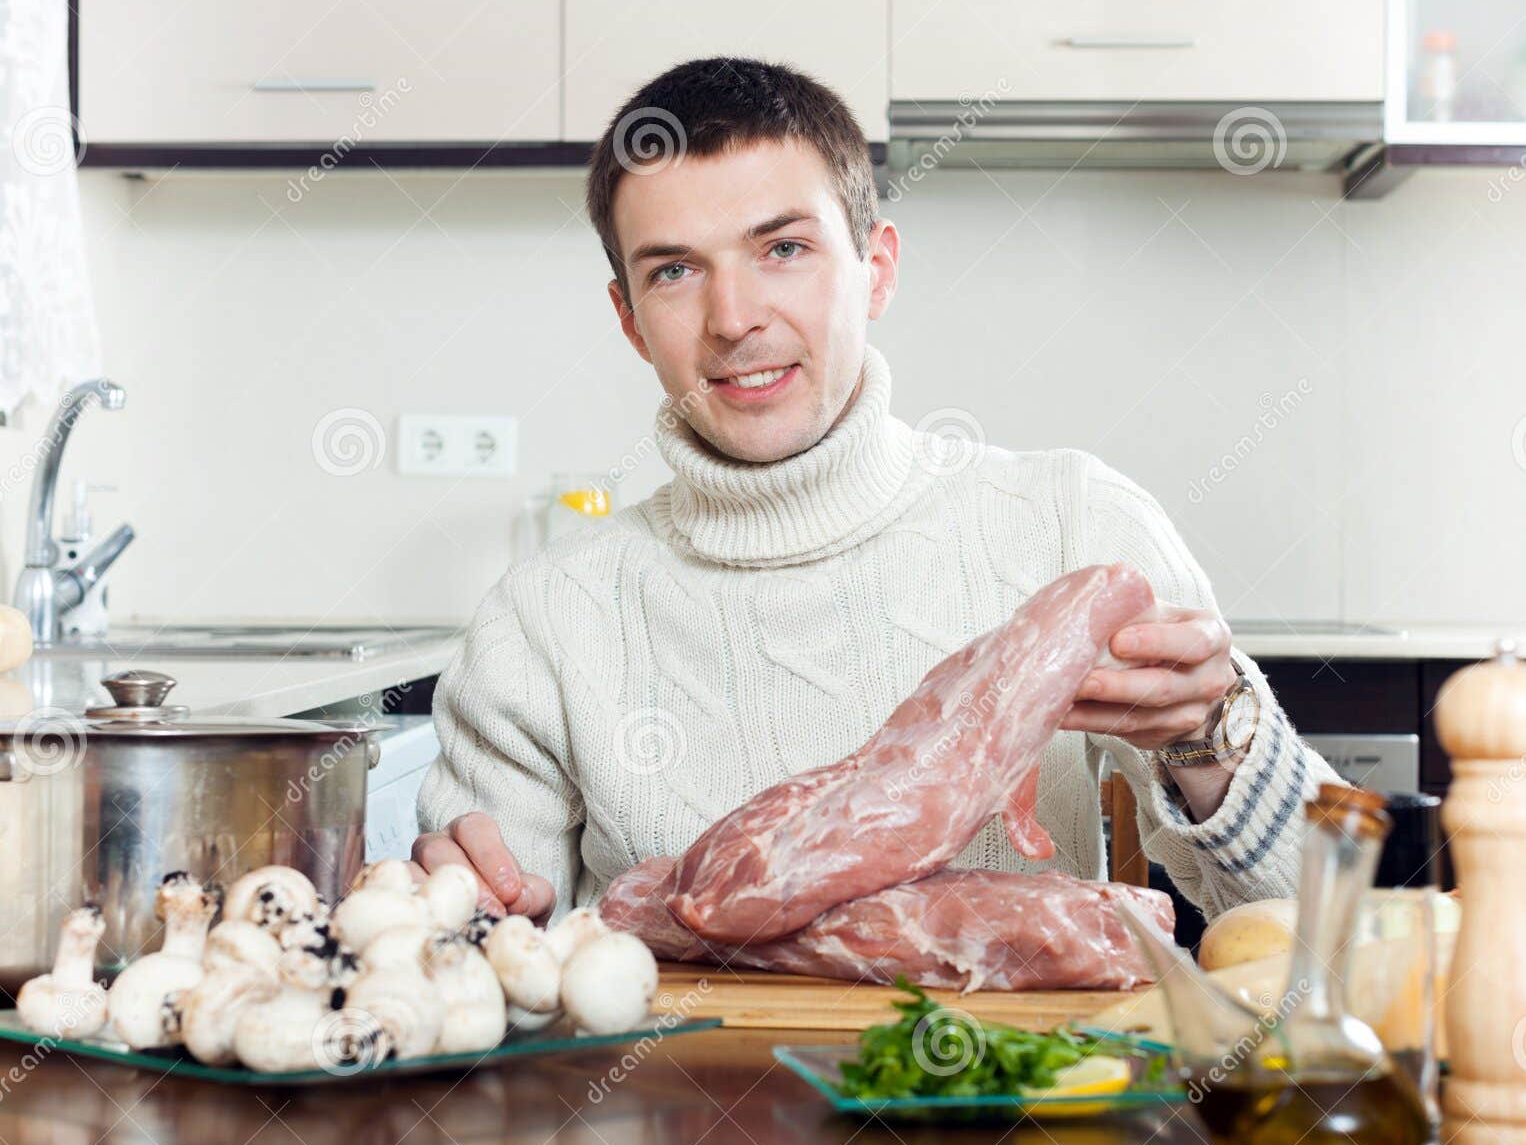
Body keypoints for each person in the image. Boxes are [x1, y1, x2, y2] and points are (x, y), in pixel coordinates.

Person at [413, 57, 1338, 927]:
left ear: (879, 269)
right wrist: (465, 919)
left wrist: (1212, 744)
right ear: (629, 319)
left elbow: (1330, 941)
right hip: (675, 1097)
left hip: (1021, 1097)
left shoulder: (1072, 525)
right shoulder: (542, 624)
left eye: (782, 248)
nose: (734, 319)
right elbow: (485, 964)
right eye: (675, 270)